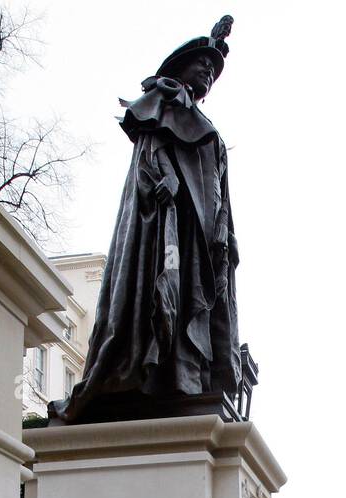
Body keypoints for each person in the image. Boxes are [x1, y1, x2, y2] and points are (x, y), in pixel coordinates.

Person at [50, 18, 240, 424]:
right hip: (166, 219)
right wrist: (163, 178)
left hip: (201, 232)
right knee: (163, 290)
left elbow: (219, 189)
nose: (208, 72)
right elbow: (151, 151)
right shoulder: (163, 101)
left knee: (196, 298)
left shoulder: (208, 130)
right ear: (178, 67)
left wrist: (224, 231)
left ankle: (185, 373)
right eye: (201, 63)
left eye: (213, 68)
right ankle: (154, 371)